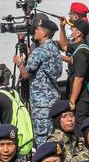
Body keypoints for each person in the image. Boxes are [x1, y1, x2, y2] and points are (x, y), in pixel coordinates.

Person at [14, 14, 63, 147]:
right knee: (53, 135)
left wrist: (19, 63)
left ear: (45, 34)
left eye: (38, 29)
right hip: (53, 98)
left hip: (41, 102)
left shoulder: (40, 51)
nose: (34, 31)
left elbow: (25, 75)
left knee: (42, 137)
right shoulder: (54, 48)